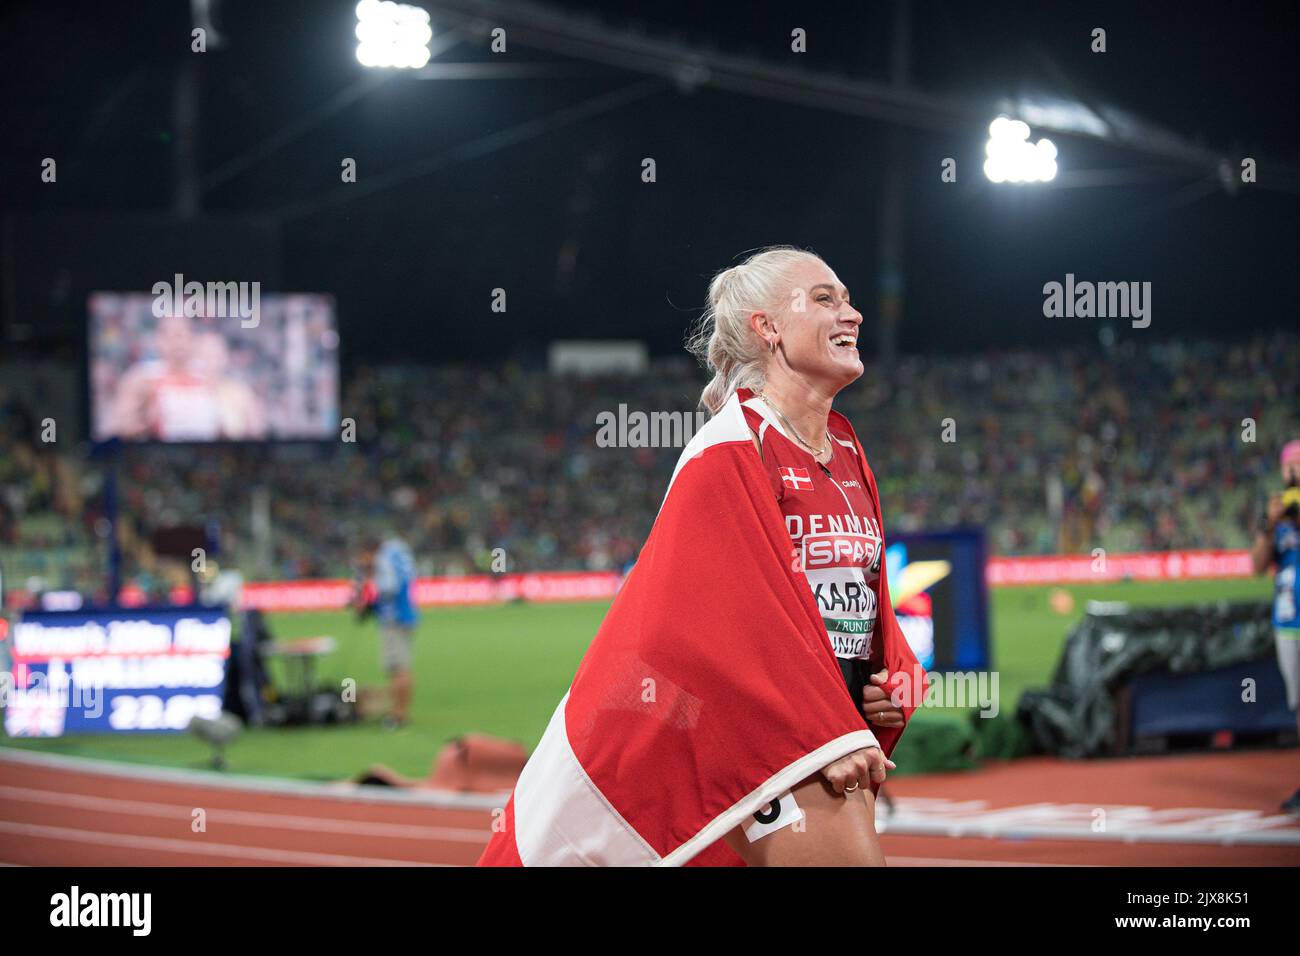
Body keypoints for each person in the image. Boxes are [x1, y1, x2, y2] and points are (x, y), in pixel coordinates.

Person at [478, 246, 924, 867]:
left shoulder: (847, 451)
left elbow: (864, 602)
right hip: (764, 730)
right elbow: (716, 617)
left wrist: (890, 681)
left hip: (827, 723)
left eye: (847, 299)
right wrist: (823, 726)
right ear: (766, 327)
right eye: (825, 299)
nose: (851, 314)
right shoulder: (729, 447)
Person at [1252, 439, 1300, 814]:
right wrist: (1270, 526)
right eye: (1290, 466)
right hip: (1288, 621)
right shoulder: (1277, 512)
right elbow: (1256, 565)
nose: (1293, 473)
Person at [366, 535, 420, 729]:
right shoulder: (399, 550)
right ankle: (399, 712)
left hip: (394, 618)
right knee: (401, 667)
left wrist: (372, 604)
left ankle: (399, 715)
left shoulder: (385, 557)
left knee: (397, 668)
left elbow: (389, 587)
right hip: (406, 615)